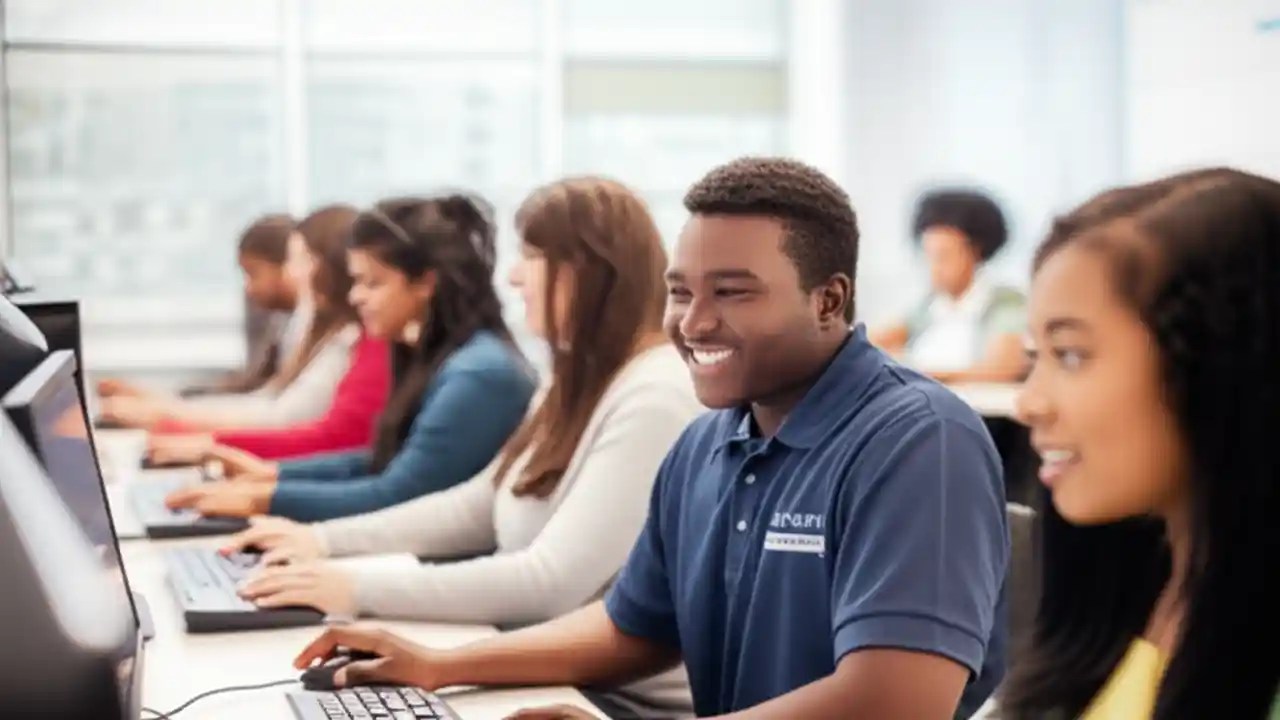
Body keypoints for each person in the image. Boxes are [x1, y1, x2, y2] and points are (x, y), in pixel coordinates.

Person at [288, 158, 1010, 720]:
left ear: (829, 300)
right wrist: (444, 665)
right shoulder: (708, 444)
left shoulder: (919, 441)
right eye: (680, 290)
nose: (693, 323)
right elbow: (633, 627)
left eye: (732, 291)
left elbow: (896, 703)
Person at [220, 177, 703, 716]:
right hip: (533, 670)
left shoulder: (655, 396)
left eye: (533, 256)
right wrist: (321, 543)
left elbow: (550, 582)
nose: (516, 276)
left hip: (606, 704)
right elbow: (477, 504)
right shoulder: (577, 375)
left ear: (585, 271)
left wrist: (352, 586)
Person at [999, 168, 1280, 719]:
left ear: (1218, 364)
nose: (1029, 403)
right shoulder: (1118, 600)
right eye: (1036, 357)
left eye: (1071, 355)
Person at [165, 194, 536, 523]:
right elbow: (381, 460)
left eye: (372, 283)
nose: (356, 297)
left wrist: (265, 497)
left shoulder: (479, 375)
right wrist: (271, 475)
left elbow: (396, 494)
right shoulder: (435, 356)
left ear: (425, 283)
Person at [145, 205, 391, 462]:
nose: (291, 273)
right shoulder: (331, 332)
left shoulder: (355, 339)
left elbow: (299, 424)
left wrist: (195, 435)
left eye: (299, 260)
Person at [99, 207, 372, 430]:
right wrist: (165, 407)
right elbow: (268, 400)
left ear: (323, 265)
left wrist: (168, 417)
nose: (291, 273)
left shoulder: (347, 340)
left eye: (297, 260)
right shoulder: (319, 332)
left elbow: (280, 418)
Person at [98, 213, 300, 400]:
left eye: (253, 273)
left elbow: (271, 407)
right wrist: (156, 398)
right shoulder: (275, 319)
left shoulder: (308, 333)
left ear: (289, 266)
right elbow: (252, 384)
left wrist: (159, 408)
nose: (248, 289)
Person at [872, 189, 1027, 383]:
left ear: (975, 252)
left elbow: (1002, 368)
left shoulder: (1006, 303)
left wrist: (920, 374)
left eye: (944, 256)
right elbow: (875, 340)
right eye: (929, 256)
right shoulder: (931, 305)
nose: (934, 268)